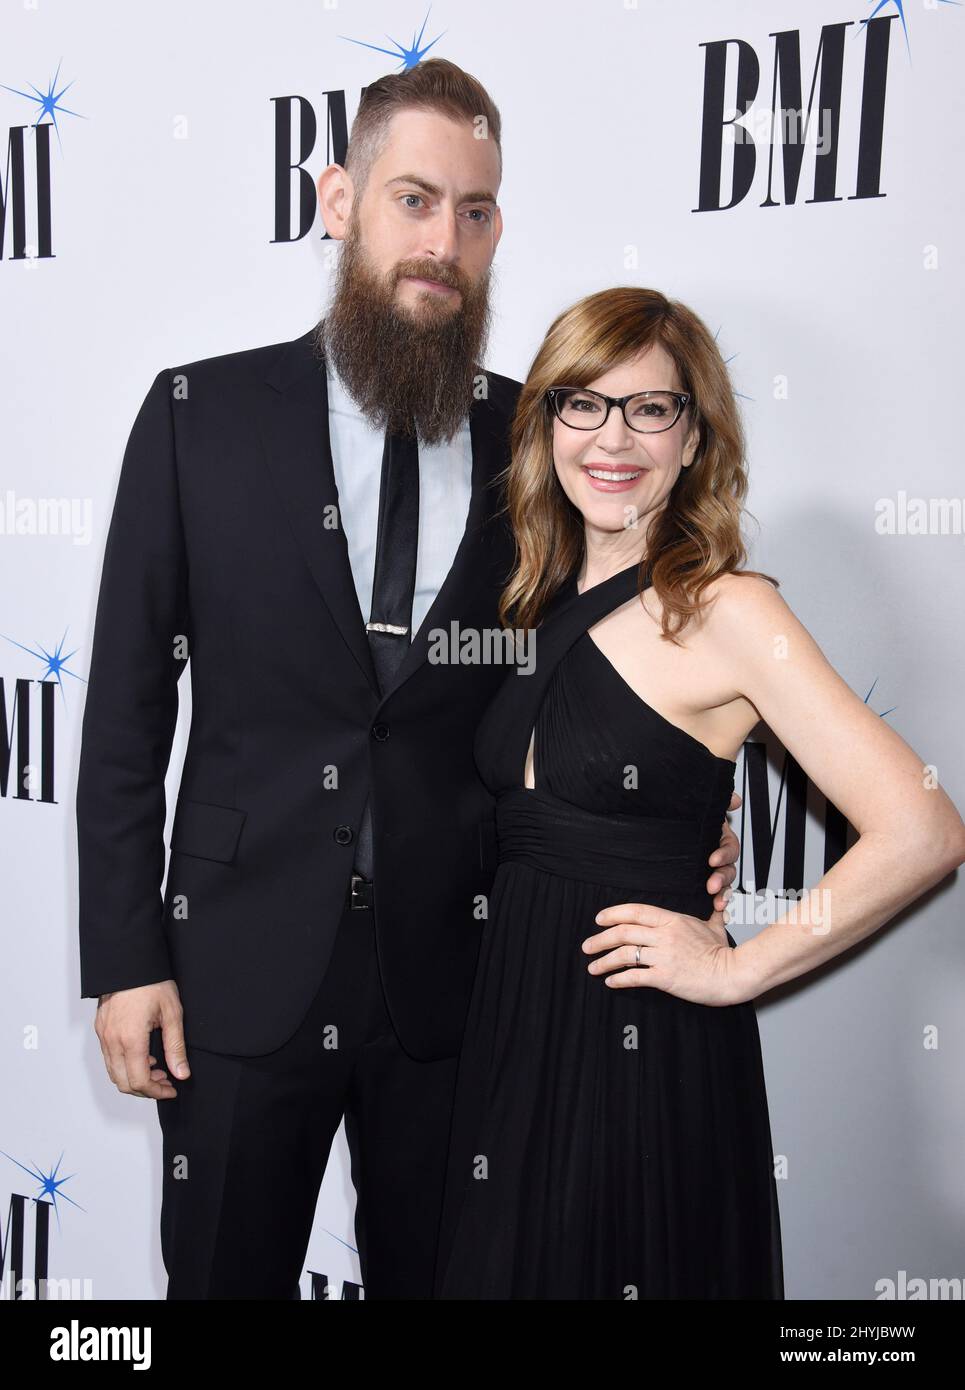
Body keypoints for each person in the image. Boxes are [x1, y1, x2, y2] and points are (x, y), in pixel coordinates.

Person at [74, 63, 742, 1299]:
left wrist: (685, 814)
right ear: (339, 200)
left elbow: (598, 661)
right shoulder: (195, 416)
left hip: (464, 980)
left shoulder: (536, 439)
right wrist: (125, 958)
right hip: (231, 969)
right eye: (414, 199)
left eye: (475, 211)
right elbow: (123, 716)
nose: (443, 242)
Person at [434, 285, 965, 1300]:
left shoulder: (726, 610)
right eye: (581, 403)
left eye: (650, 407)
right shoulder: (530, 601)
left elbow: (921, 828)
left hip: (640, 1050)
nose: (612, 436)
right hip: (511, 1033)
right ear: (546, 425)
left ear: (691, 438)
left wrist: (735, 970)